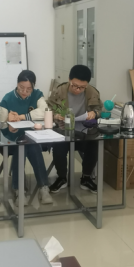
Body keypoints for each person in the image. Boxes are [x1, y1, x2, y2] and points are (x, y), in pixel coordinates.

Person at [46, 65, 103, 193]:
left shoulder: (92, 92)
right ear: (69, 80)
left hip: (84, 131)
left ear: (87, 84)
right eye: (74, 85)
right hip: (64, 129)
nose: (78, 89)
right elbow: (49, 108)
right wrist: (55, 115)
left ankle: (86, 178)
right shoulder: (59, 91)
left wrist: (94, 113)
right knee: (59, 145)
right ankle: (62, 178)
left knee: (93, 144)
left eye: (82, 87)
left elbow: (100, 109)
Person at [0, 70, 52, 205]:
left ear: (33, 86)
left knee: (31, 145)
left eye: (28, 89)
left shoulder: (37, 94)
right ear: (17, 84)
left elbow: (44, 111)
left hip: (33, 136)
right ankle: (22, 189)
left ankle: (39, 188)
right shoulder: (7, 99)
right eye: (21, 88)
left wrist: (22, 117)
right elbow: (1, 124)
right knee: (22, 146)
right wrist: (8, 119)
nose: (24, 91)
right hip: (12, 138)